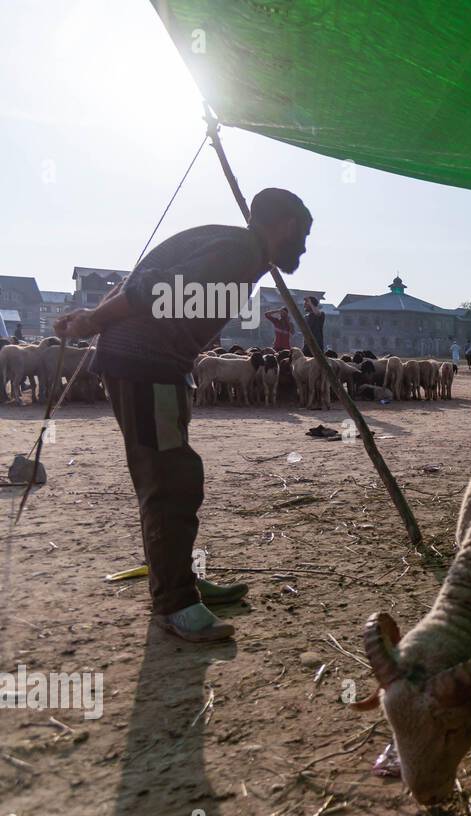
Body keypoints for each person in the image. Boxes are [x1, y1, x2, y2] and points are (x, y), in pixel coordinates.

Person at [55, 187, 312, 643]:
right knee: (171, 482)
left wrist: (90, 318)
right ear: (286, 225)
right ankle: (175, 602)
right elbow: (150, 288)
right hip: (145, 365)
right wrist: (92, 322)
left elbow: (146, 283)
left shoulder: (237, 250)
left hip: (156, 366)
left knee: (172, 477)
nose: (305, 248)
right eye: (304, 235)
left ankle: (180, 582)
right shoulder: (238, 252)